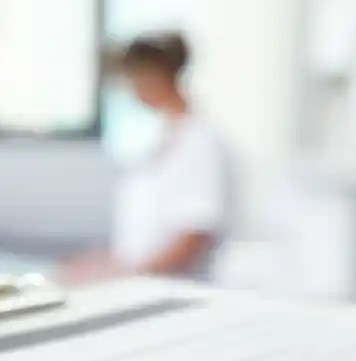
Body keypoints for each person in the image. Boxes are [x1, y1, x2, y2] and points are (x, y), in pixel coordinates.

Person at [64, 32, 235, 283]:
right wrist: (108, 265)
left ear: (155, 75)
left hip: (173, 289)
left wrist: (133, 276)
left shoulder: (199, 142)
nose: (130, 89)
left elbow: (195, 234)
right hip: (148, 284)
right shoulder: (166, 137)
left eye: (132, 79)